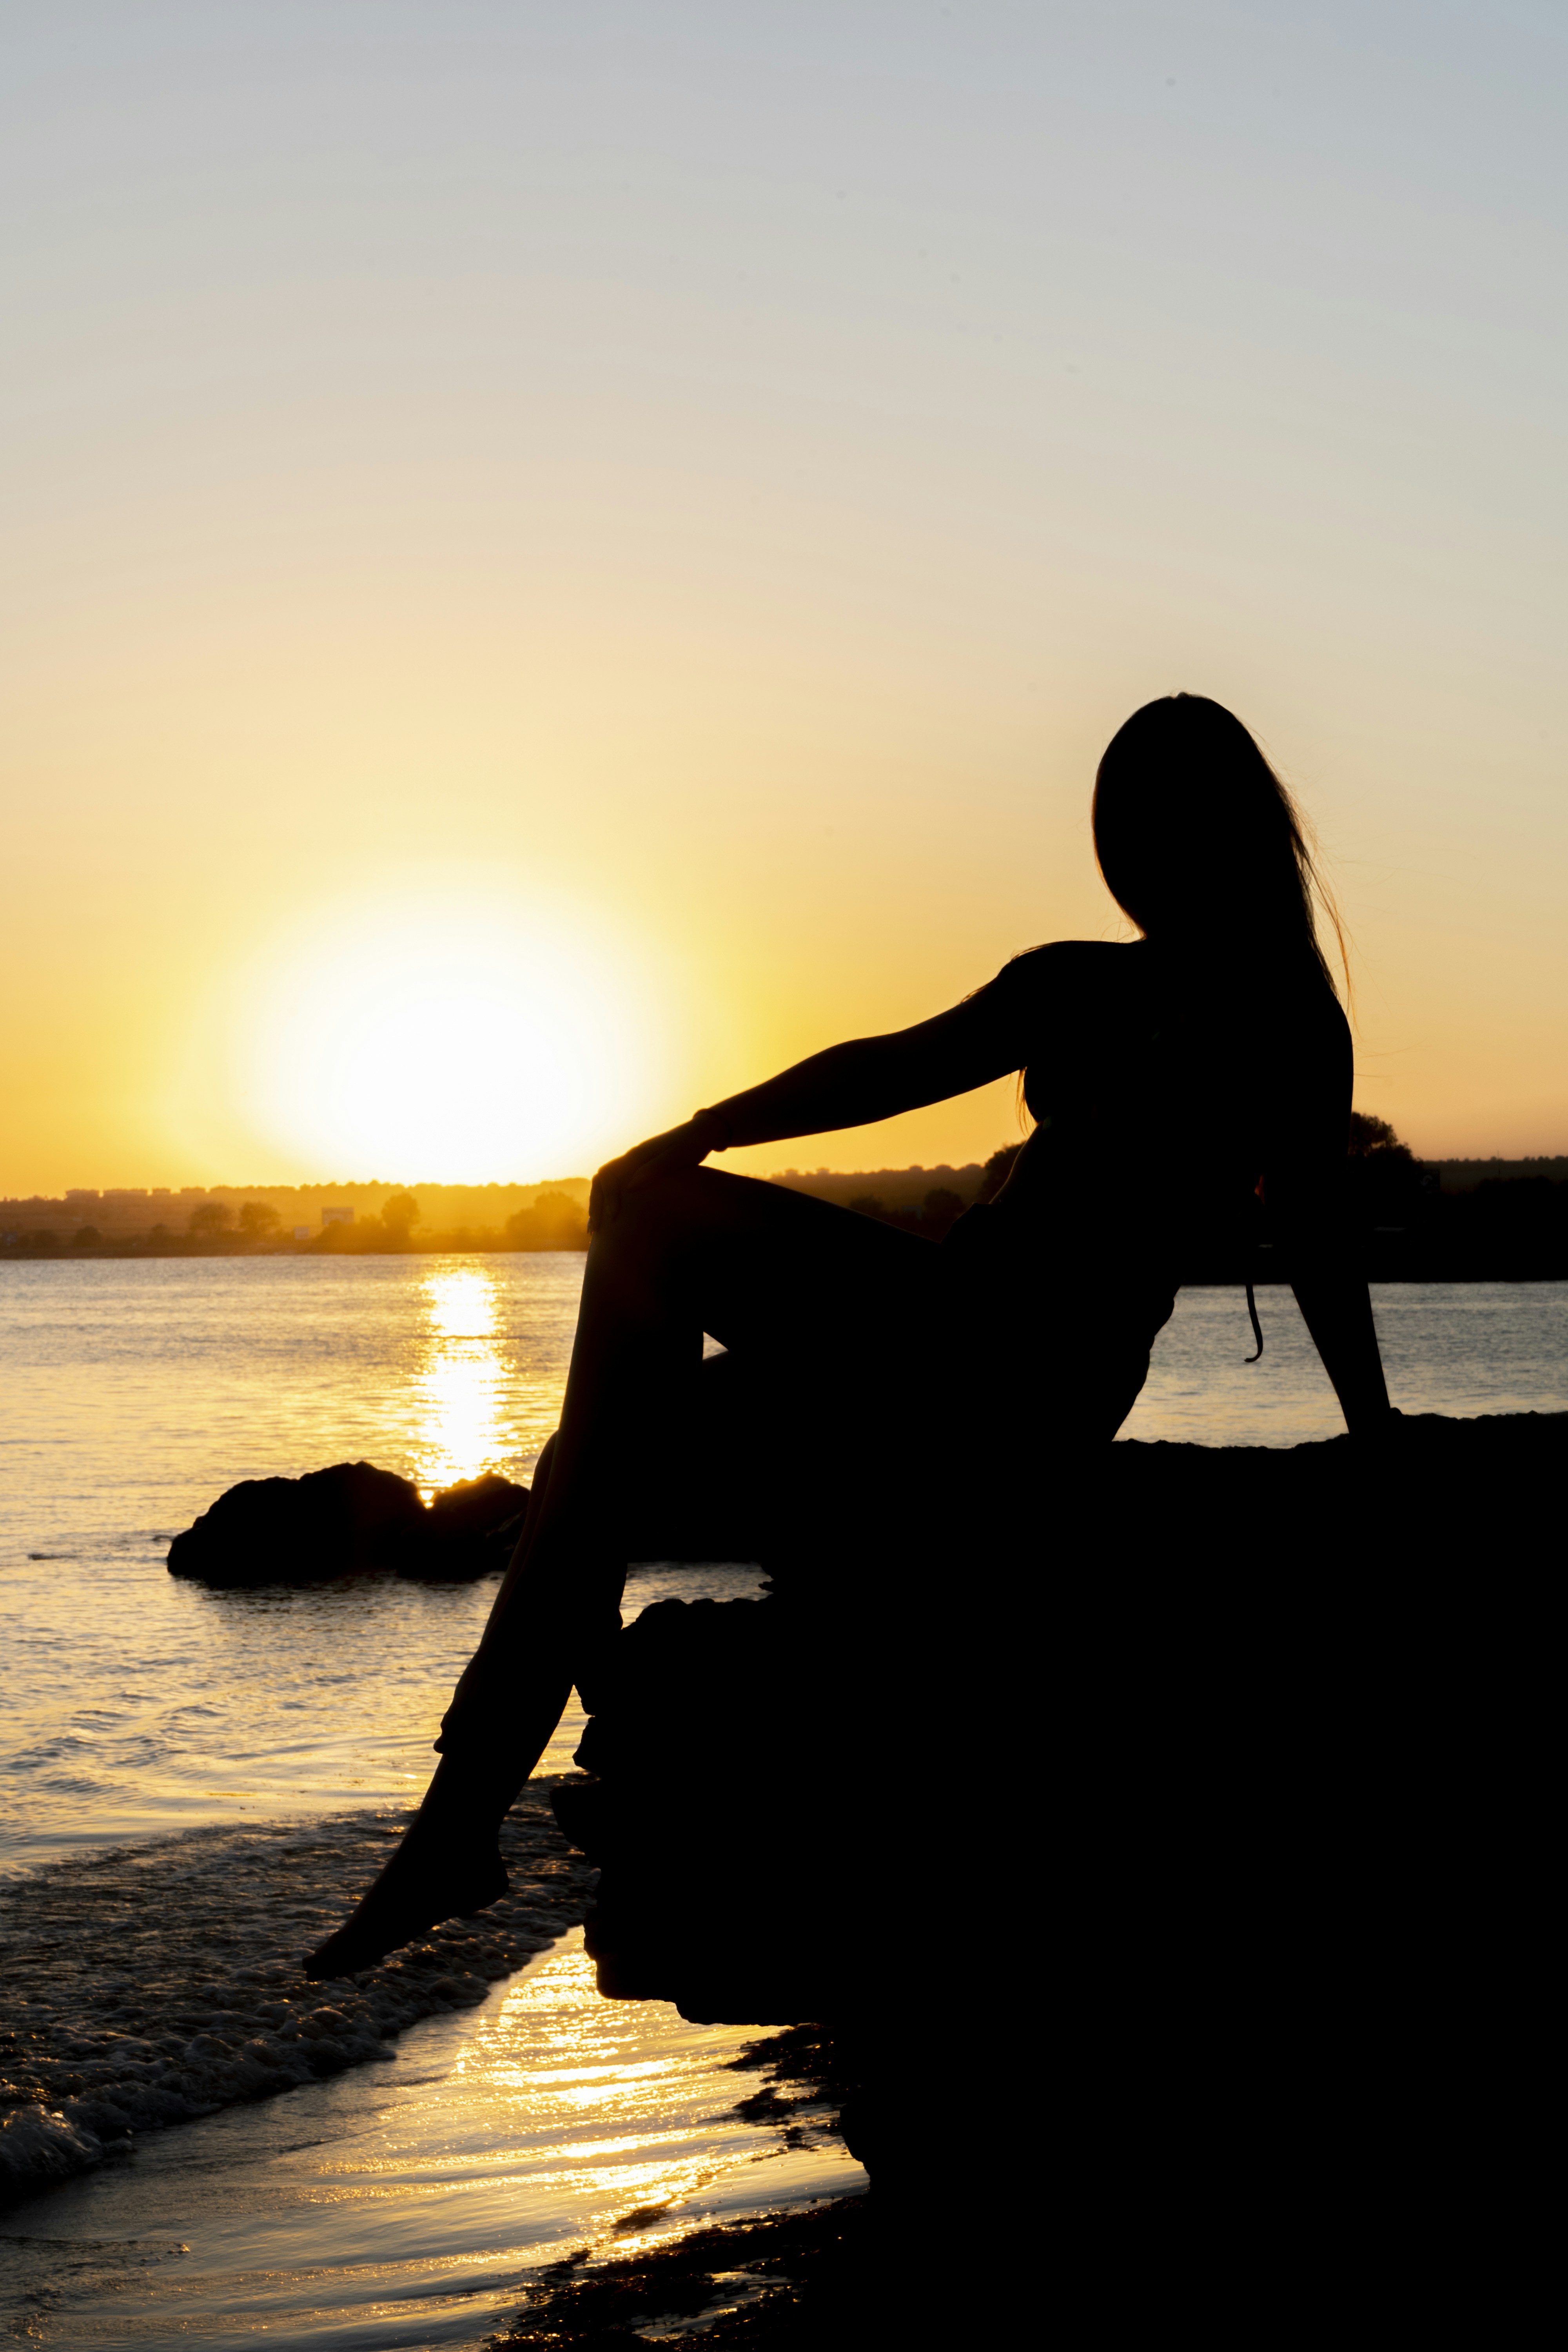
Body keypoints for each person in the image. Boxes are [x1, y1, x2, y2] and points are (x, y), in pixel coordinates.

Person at [304, 691, 1395, 1983]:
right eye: (1119, 830)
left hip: (988, 1355)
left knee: (637, 1255)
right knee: (604, 1446)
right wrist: (712, 1125)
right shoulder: (1188, 1000)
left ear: (1203, 836)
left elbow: (1310, 1231)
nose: (1128, 859)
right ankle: (480, 1807)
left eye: (1144, 828)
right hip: (1005, 1362)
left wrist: (693, 1137)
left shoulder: (1204, 1007)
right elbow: (898, 1067)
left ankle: (470, 1804)